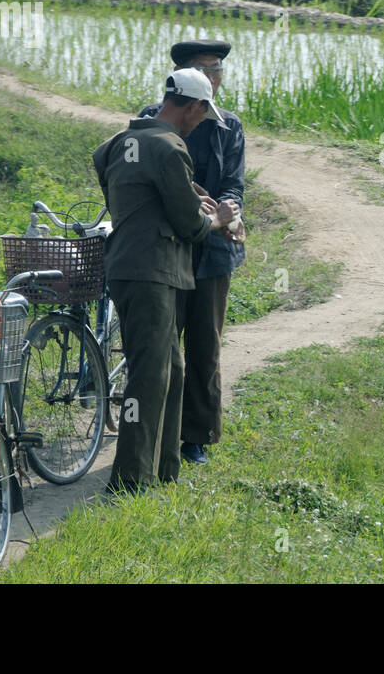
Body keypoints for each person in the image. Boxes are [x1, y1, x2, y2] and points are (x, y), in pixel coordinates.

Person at [92, 68, 233, 494]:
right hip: (154, 273)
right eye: (200, 116)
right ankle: (132, 479)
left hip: (127, 267)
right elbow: (190, 226)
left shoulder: (120, 142)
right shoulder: (170, 148)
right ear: (192, 107)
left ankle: (165, 469)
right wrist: (216, 218)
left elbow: (118, 180)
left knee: (169, 368)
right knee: (149, 377)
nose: (197, 125)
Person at [138, 39, 246, 465]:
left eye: (218, 71)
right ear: (184, 78)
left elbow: (234, 181)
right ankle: (158, 432)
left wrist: (230, 209)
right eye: (206, 71)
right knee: (165, 343)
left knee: (205, 342)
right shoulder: (152, 120)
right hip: (167, 245)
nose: (215, 80)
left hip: (212, 248)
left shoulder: (228, 126)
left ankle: (196, 436)